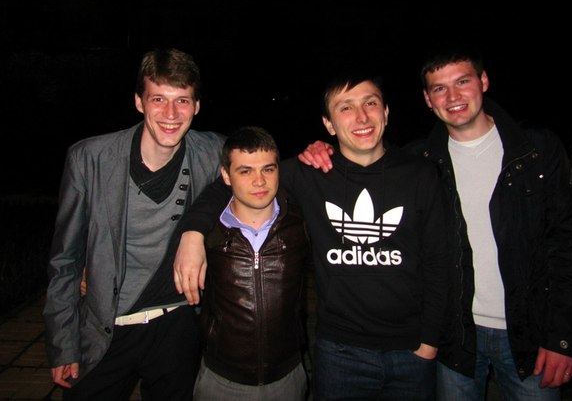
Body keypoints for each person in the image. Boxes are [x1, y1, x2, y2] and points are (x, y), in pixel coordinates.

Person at [299, 45, 572, 400]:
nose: (452, 96)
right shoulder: (422, 158)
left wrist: (562, 338)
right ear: (427, 98)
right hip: (456, 336)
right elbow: (366, 160)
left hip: (528, 334)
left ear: (484, 81)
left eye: (462, 82)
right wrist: (322, 149)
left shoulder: (536, 150)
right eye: (440, 88)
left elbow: (569, 247)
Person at [173, 71, 449, 400]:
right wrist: (192, 234)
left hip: (411, 351)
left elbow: (440, 263)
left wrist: (429, 342)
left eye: (370, 103)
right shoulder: (308, 174)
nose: (361, 116)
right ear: (329, 124)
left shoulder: (420, 174)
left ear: (386, 113)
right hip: (339, 352)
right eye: (346, 107)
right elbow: (235, 181)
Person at [43, 48, 226, 400]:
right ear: (139, 102)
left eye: (182, 101)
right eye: (158, 99)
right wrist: (63, 343)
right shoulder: (90, 159)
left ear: (197, 106)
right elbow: (64, 260)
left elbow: (262, 172)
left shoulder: (211, 151)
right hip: (107, 329)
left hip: (176, 326)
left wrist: (194, 233)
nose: (171, 114)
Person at [184, 125, 311, 400]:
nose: (259, 181)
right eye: (245, 171)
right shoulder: (208, 231)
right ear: (226, 176)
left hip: (287, 377)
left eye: (268, 169)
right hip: (221, 380)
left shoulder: (301, 223)